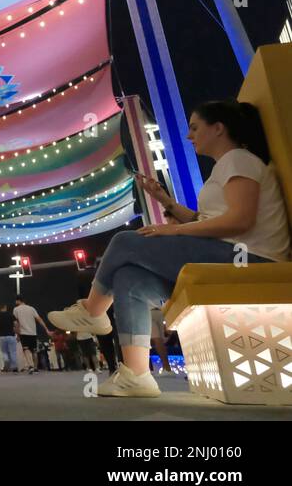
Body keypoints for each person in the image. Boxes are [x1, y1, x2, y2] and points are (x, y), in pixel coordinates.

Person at [50, 100, 289, 397]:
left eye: (195, 127)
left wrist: (174, 229)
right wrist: (167, 202)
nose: (190, 135)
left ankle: (92, 311)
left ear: (218, 128)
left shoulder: (238, 159)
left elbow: (239, 220)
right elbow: (212, 220)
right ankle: (136, 375)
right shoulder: (229, 165)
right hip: (225, 253)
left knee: (125, 242)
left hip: (250, 258)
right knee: (129, 279)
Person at [12, 297, 49, 374]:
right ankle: (35, 368)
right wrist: (46, 329)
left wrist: (17, 334)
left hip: (23, 333)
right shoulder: (32, 308)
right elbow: (39, 319)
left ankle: (31, 366)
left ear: (18, 300)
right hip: (33, 333)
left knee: (26, 350)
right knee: (34, 351)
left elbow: (16, 323)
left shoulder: (16, 309)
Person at [0, 303, 18, 372]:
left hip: (1, 336)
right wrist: (17, 333)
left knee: (4, 351)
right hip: (11, 335)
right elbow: (16, 324)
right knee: (13, 351)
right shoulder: (11, 315)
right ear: (5, 307)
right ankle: (14, 367)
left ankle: (6, 359)